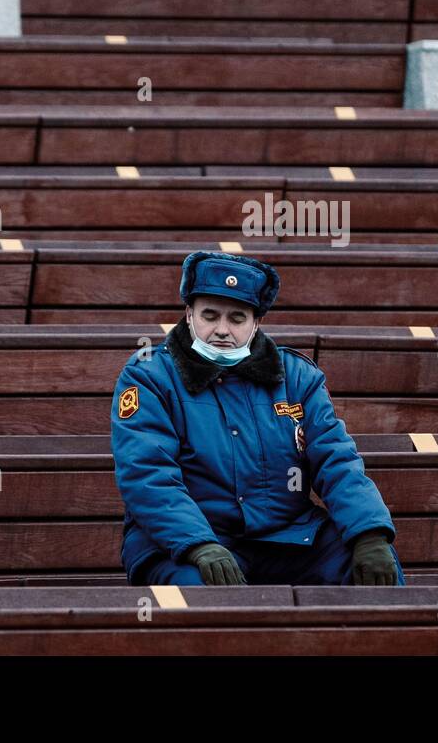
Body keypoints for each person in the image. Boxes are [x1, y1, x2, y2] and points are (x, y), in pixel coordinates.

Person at [110, 250, 404, 587]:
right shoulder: (150, 375)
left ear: (256, 323)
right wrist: (199, 544)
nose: (222, 330)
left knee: (372, 565)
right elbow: (146, 472)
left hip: (289, 536)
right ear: (189, 315)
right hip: (186, 542)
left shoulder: (297, 377)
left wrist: (368, 532)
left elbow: (335, 459)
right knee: (202, 593)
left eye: (237, 318)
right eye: (210, 315)